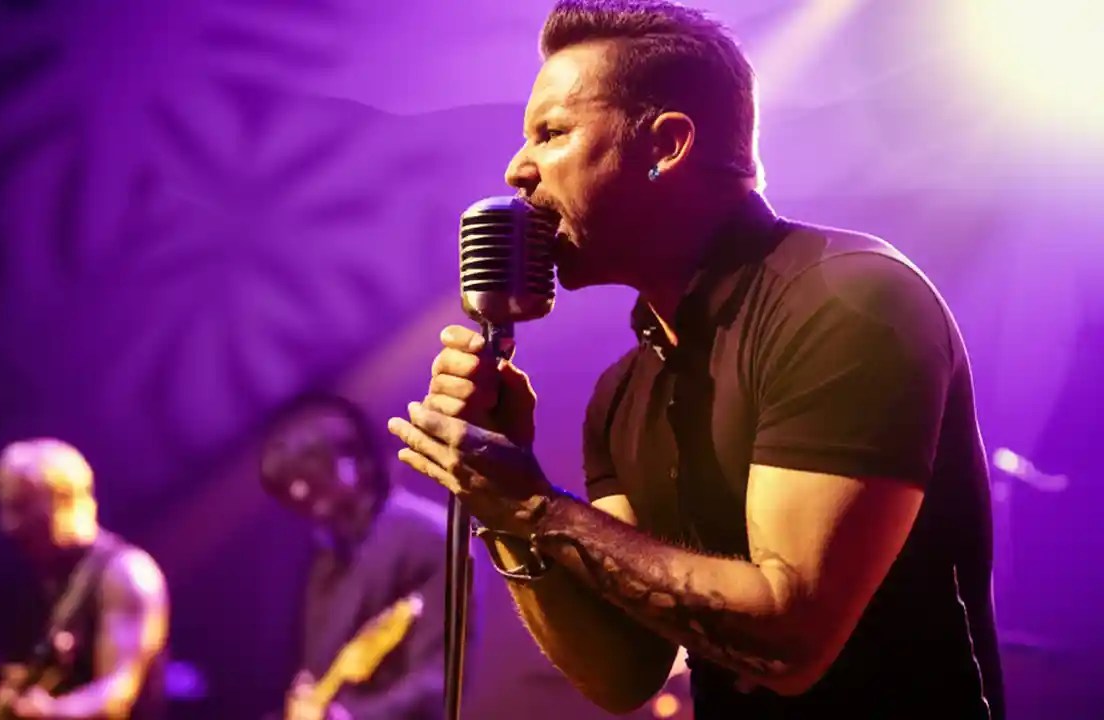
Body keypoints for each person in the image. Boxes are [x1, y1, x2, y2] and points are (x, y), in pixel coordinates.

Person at [386, 1, 1004, 718]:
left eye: (550, 133)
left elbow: (789, 640)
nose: (517, 169)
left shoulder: (847, 300)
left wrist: (535, 505)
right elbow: (623, 672)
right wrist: (506, 508)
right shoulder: (625, 391)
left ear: (666, 145)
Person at [258, 392, 460, 720]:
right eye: (290, 488)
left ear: (354, 459)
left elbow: (440, 679)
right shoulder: (327, 559)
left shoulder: (427, 536)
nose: (299, 494)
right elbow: (318, 668)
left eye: (311, 477)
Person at [0, 438, 170, 719]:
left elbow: (116, 694)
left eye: (22, 507)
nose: (10, 525)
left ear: (64, 501)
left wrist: (50, 713)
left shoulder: (126, 574)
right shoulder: (55, 577)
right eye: (6, 508)